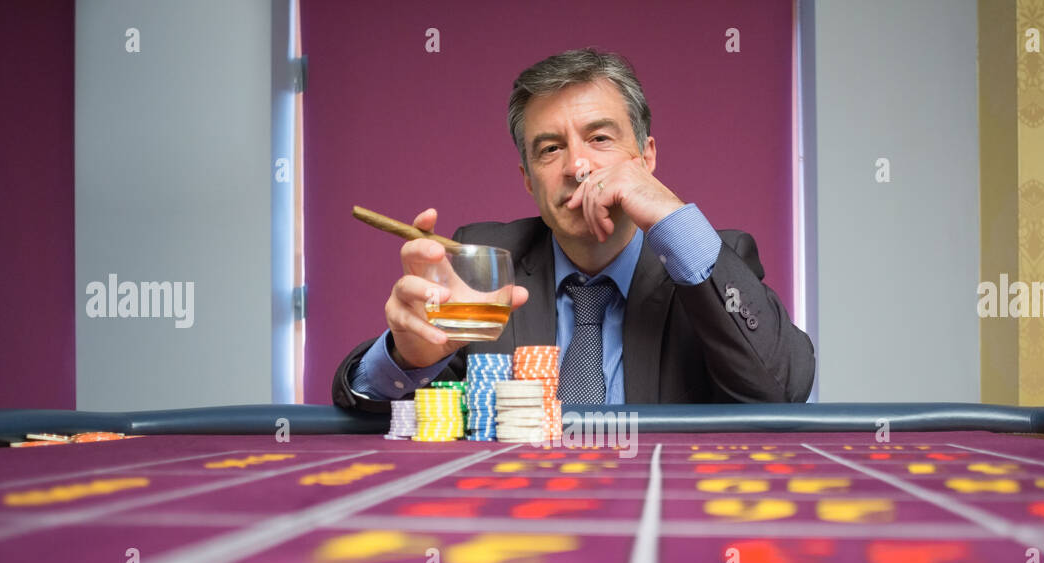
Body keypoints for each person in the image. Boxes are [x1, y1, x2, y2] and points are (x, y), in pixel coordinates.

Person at [331, 48, 815, 408]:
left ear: (646, 156)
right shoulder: (484, 263)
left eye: (599, 138)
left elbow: (782, 389)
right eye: (549, 149)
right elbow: (370, 409)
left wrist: (672, 217)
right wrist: (408, 357)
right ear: (527, 180)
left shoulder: (708, 257)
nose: (578, 166)